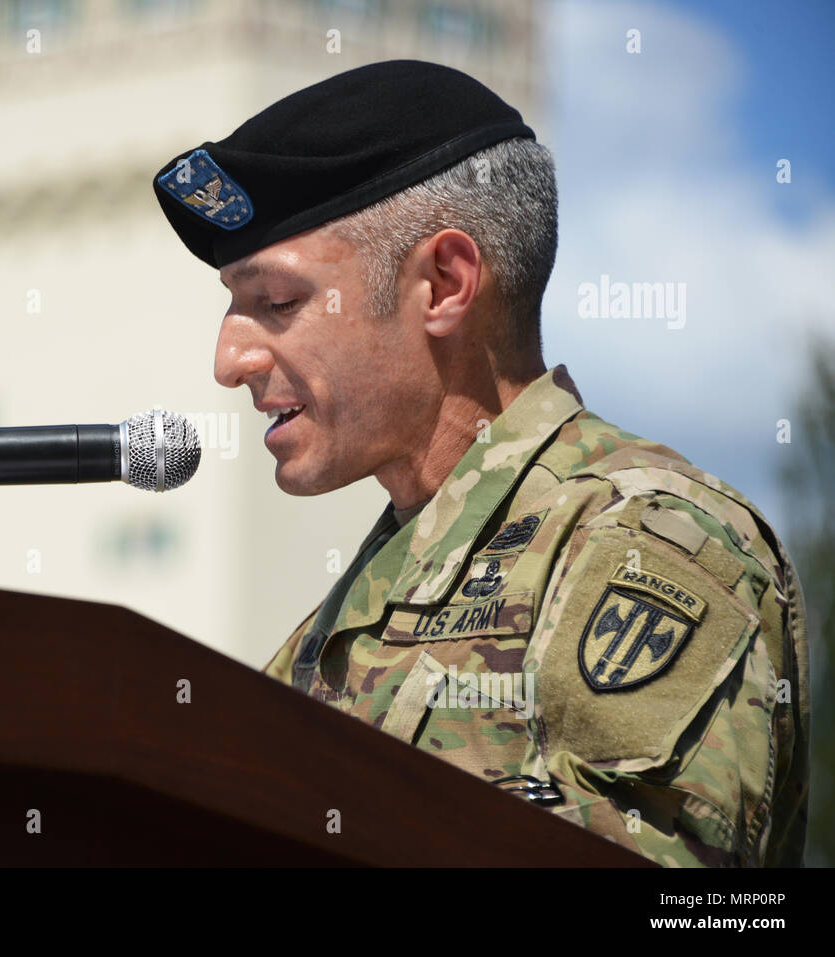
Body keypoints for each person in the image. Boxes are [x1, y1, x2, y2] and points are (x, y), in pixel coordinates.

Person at [152, 60, 807, 867]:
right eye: (233, 304)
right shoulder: (345, 617)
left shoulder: (650, 541)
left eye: (278, 303)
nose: (230, 358)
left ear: (445, 284)